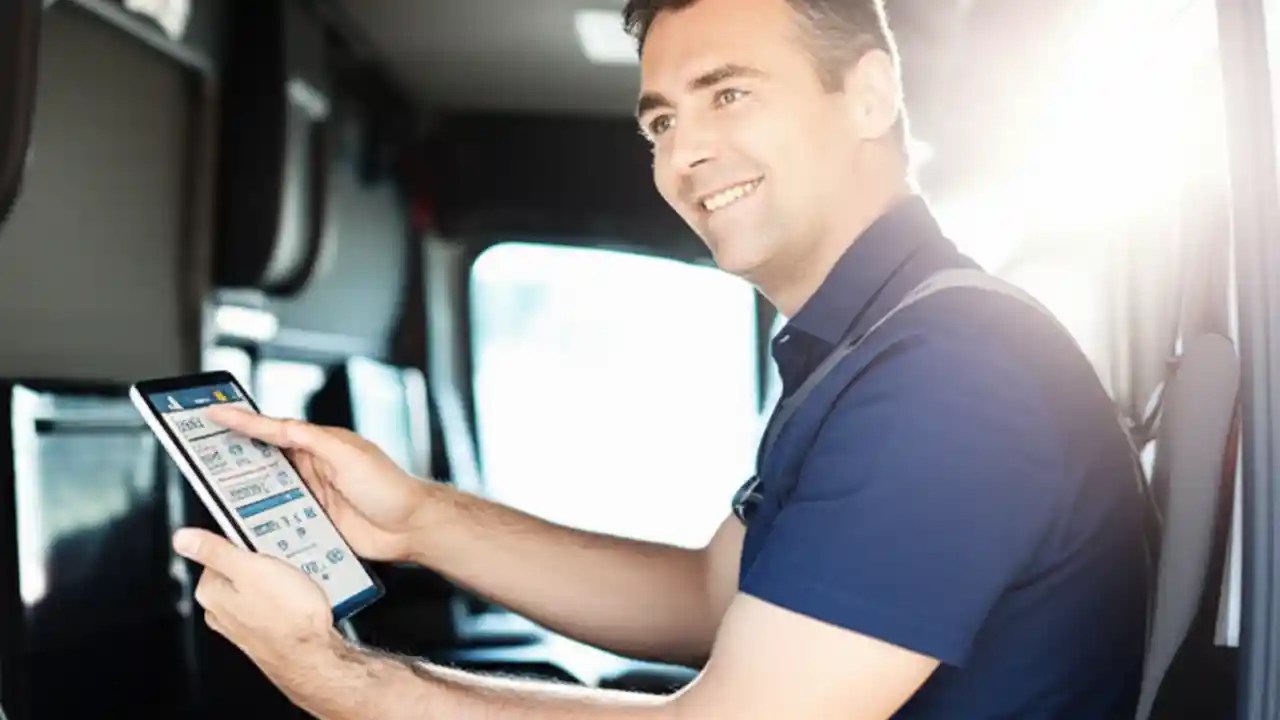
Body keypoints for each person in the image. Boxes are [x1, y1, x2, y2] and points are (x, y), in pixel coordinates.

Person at [171, 0, 1150, 717]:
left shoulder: (950, 380)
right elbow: (699, 598)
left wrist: (330, 674)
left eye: (728, 94)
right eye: (661, 120)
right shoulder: (868, 347)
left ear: (869, 96)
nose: (684, 155)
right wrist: (415, 517)